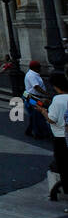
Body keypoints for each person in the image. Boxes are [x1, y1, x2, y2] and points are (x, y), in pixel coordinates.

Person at [38, 73, 68, 205]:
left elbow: (52, 119)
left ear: (55, 86)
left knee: (64, 166)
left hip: (60, 137)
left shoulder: (57, 100)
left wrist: (43, 111)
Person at [25, 60, 52, 140]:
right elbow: (36, 87)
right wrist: (46, 94)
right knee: (38, 113)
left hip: (32, 97)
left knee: (35, 114)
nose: (40, 68)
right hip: (33, 98)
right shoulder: (31, 75)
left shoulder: (33, 74)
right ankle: (39, 133)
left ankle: (30, 131)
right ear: (36, 68)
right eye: (39, 67)